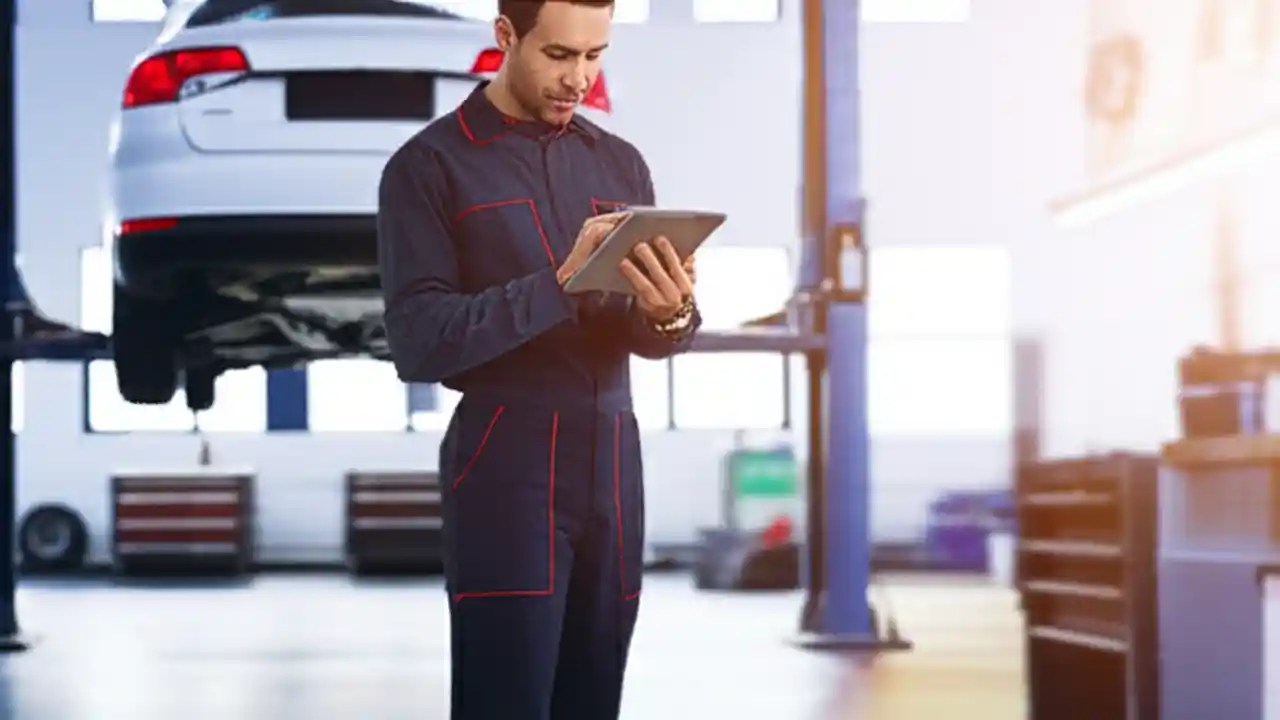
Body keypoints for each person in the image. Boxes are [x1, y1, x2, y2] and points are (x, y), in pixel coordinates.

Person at [375, 1, 700, 718]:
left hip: (614, 459)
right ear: (504, 36)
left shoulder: (619, 163)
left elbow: (647, 337)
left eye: (595, 56)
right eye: (558, 55)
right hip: (505, 461)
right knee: (508, 700)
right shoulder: (429, 167)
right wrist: (558, 285)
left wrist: (669, 312)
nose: (578, 77)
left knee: (593, 698)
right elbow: (419, 341)